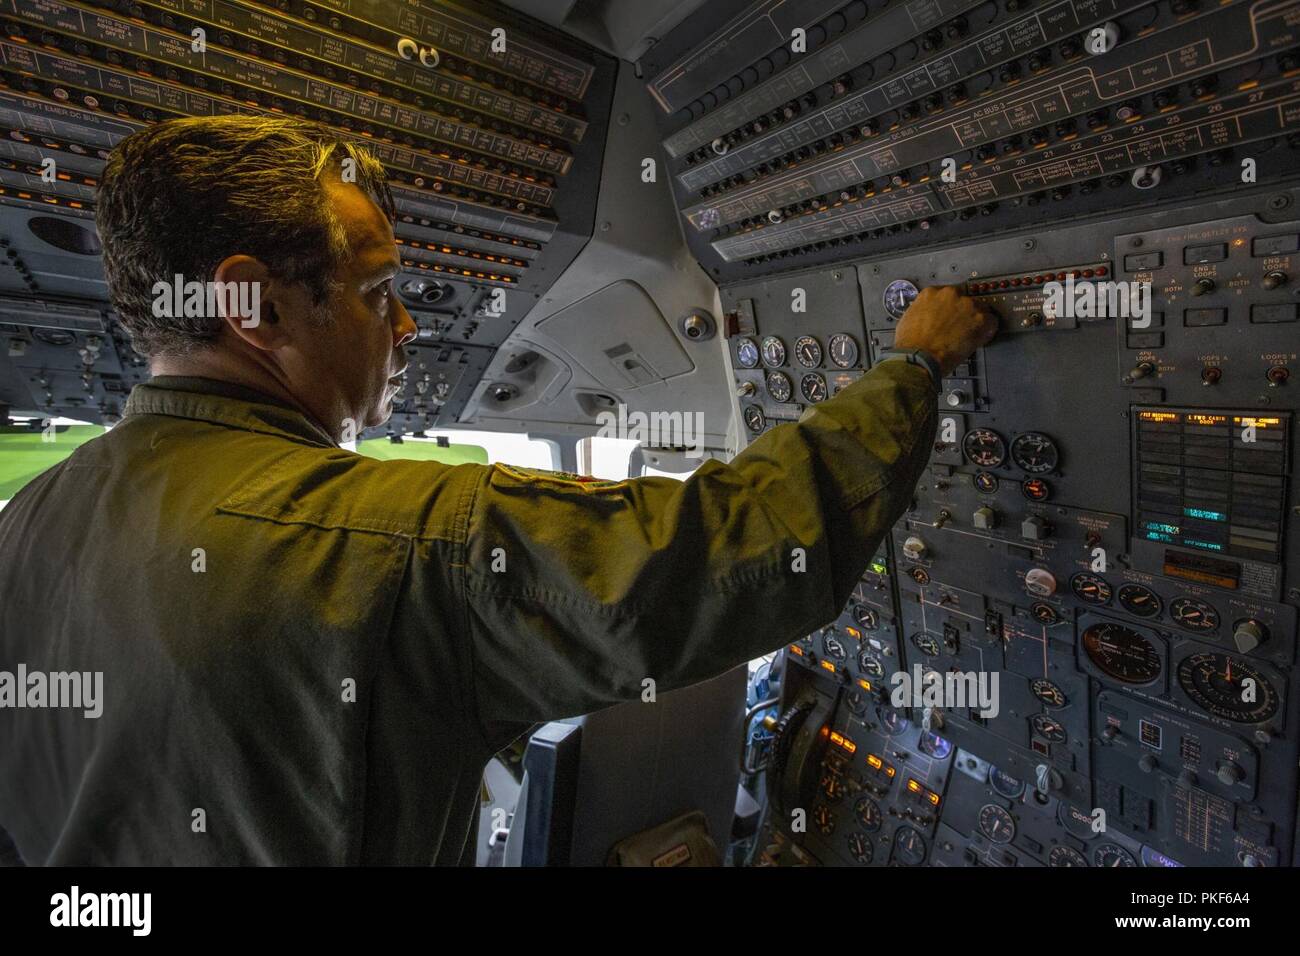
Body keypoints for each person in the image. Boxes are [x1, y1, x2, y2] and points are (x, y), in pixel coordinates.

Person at [0, 116, 996, 865]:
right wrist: (909, 369)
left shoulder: (24, 525)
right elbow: (751, 548)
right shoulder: (394, 540)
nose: (406, 329)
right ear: (253, 304)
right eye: (377, 290)